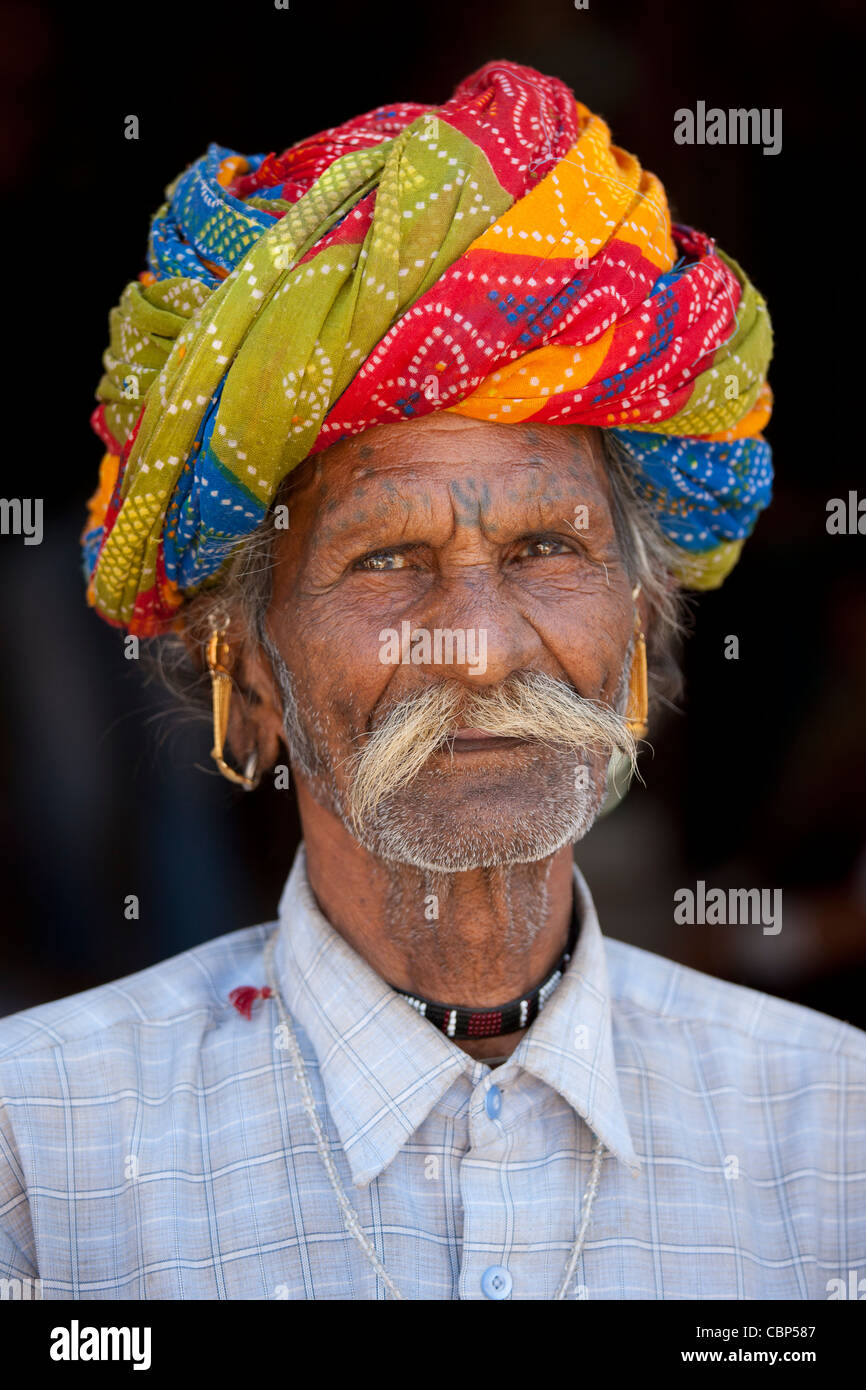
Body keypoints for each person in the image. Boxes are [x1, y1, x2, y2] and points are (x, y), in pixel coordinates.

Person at [1, 59, 862, 1302]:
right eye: (386, 558)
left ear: (633, 644)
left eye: (546, 550)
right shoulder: (41, 1157)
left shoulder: (835, 1142)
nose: (476, 642)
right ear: (246, 679)